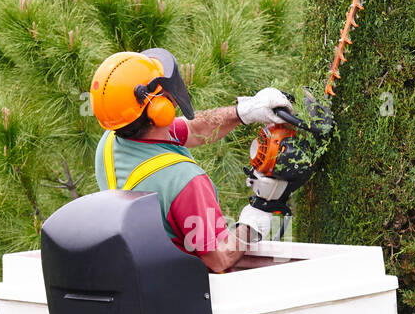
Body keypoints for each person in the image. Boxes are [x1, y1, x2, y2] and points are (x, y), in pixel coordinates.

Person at [90, 48, 292, 273]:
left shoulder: (109, 143)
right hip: (186, 294)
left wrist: (244, 111)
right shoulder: (185, 180)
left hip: (143, 283)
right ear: (160, 109)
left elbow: (195, 129)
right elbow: (219, 259)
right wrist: (255, 220)